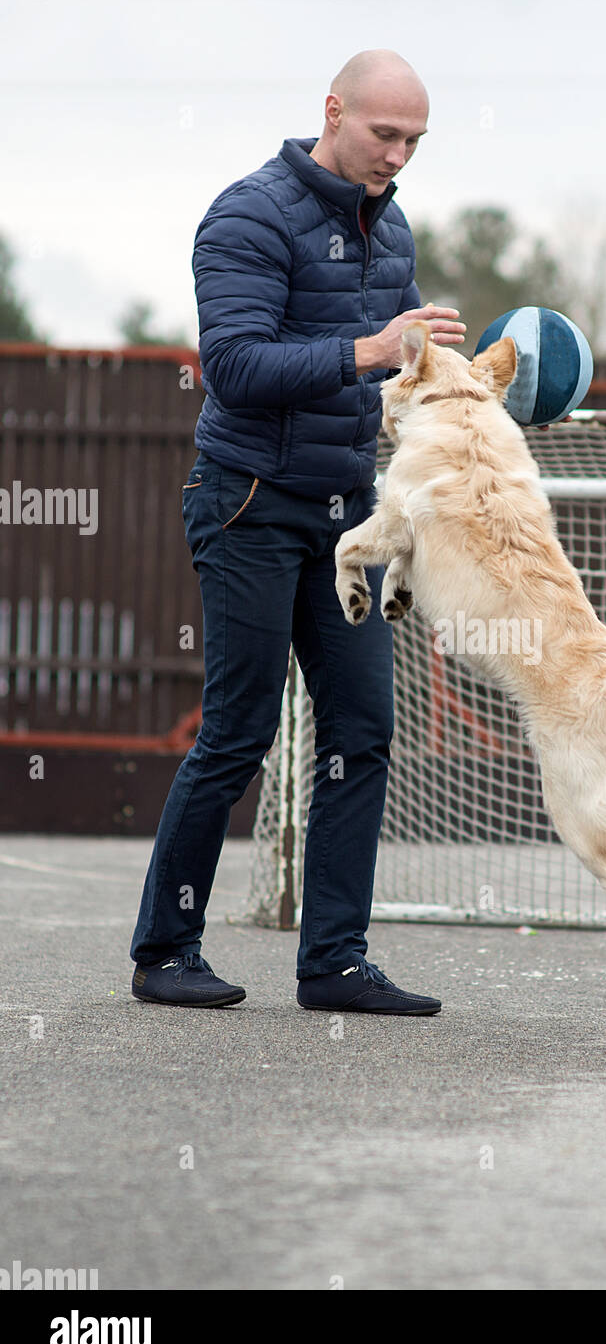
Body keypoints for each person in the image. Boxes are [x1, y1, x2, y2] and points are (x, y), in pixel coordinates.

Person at [129, 50, 465, 1014]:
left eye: (414, 142)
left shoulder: (391, 229)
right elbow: (232, 364)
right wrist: (371, 349)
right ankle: (165, 950)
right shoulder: (248, 213)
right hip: (247, 500)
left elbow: (382, 381)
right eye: (383, 135)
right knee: (240, 730)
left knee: (362, 730)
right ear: (333, 111)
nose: (397, 157)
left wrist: (456, 389)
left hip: (344, 516)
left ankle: (334, 962)